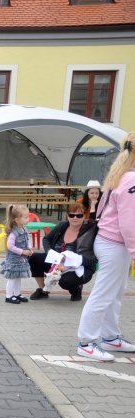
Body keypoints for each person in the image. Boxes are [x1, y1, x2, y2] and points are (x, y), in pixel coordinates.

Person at [76, 132, 135, 362]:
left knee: (115, 292)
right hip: (115, 244)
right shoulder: (131, 179)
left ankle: (110, 337)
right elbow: (130, 221)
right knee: (104, 294)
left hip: (110, 242)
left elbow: (103, 210)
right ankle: (86, 341)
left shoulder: (120, 175)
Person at [27, 202, 97, 302]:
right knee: (34, 257)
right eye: (72, 215)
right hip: (57, 262)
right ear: (67, 216)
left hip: (78, 266)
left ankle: (76, 289)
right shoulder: (62, 225)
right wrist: (50, 252)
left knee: (65, 282)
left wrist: (70, 260)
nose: (75, 218)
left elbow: (92, 257)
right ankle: (43, 290)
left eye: (79, 215)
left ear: (84, 216)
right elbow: (46, 239)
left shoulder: (89, 231)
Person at [0, 205, 33, 304]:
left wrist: (30, 248)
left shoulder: (25, 230)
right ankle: (9, 295)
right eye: (26, 217)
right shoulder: (14, 233)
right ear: (17, 219)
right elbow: (10, 246)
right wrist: (22, 251)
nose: (28, 219)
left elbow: (27, 241)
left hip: (22, 260)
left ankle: (17, 293)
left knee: (18, 277)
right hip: (14, 260)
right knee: (12, 278)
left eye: (28, 217)